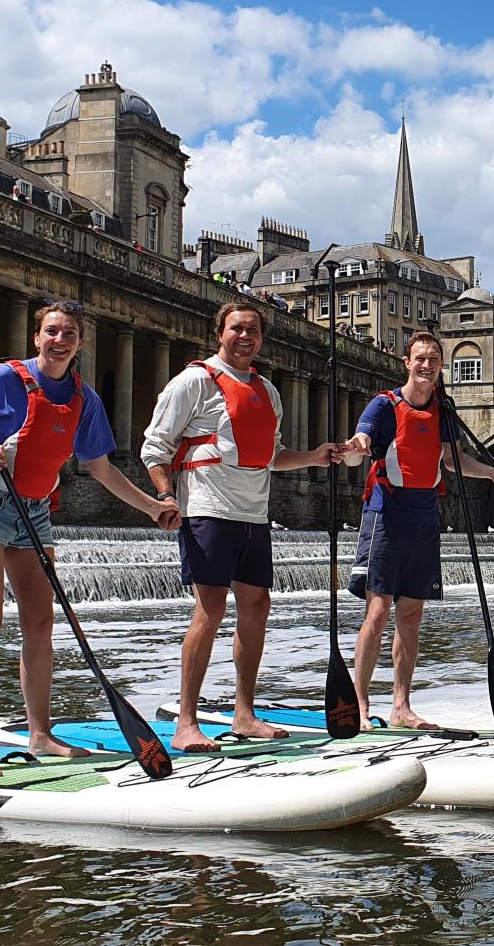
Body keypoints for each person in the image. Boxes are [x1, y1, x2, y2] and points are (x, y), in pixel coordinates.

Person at [0, 300, 179, 778]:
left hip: (36, 514)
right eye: (51, 331)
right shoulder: (3, 379)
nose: (59, 340)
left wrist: (152, 507)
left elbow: (101, 468)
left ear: (79, 344)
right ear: (36, 338)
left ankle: (40, 734)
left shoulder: (85, 400)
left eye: (68, 333)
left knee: (41, 625)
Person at [140, 300, 343, 748]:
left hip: (254, 516)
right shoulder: (194, 381)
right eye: (237, 329)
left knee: (257, 608)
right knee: (209, 611)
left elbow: (269, 455)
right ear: (220, 333)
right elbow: (155, 446)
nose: (245, 336)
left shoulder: (267, 391)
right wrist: (166, 496)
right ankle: (186, 723)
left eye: (253, 330)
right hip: (207, 511)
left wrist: (314, 456)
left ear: (261, 338)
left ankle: (243, 714)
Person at [341, 332, 494, 729]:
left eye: (434, 359)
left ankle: (401, 706)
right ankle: (359, 704)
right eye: (420, 358)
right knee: (378, 611)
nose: (426, 365)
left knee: (411, 614)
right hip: (386, 513)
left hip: (425, 517)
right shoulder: (384, 405)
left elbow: (452, 459)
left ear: (440, 365)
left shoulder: (443, 410)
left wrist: (491, 472)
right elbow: (364, 436)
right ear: (406, 362)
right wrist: (358, 445)